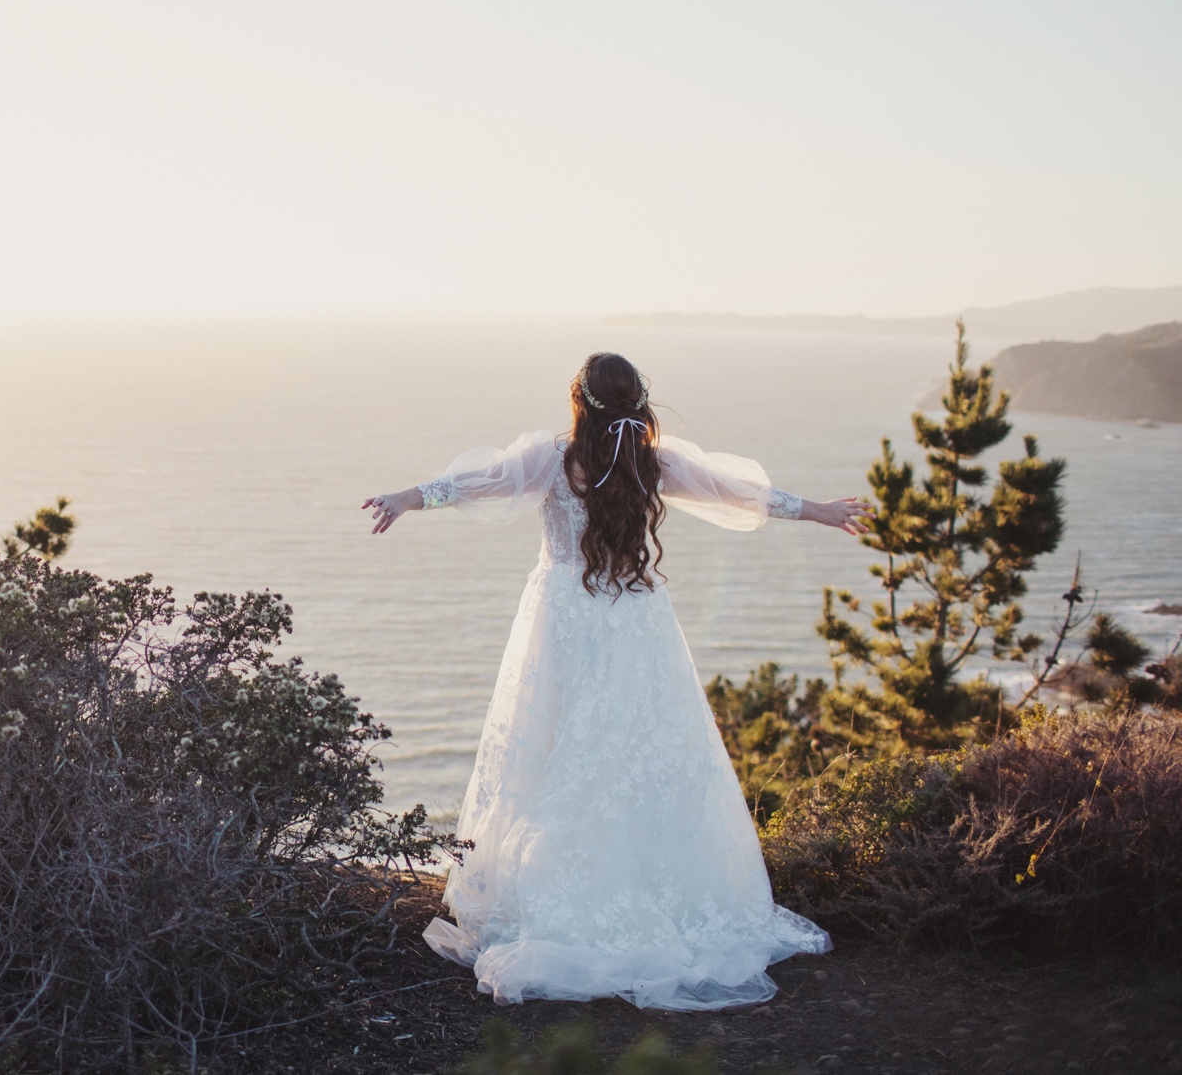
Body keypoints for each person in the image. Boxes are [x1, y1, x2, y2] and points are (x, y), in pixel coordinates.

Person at [362, 351, 870, 1011]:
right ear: (636, 403)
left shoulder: (551, 457)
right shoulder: (650, 461)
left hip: (561, 621)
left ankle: (556, 893)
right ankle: (652, 888)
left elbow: (477, 482)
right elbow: (738, 492)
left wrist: (408, 498)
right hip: (635, 622)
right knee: (639, 752)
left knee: (549, 751)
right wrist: (821, 510)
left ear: (578, 400)